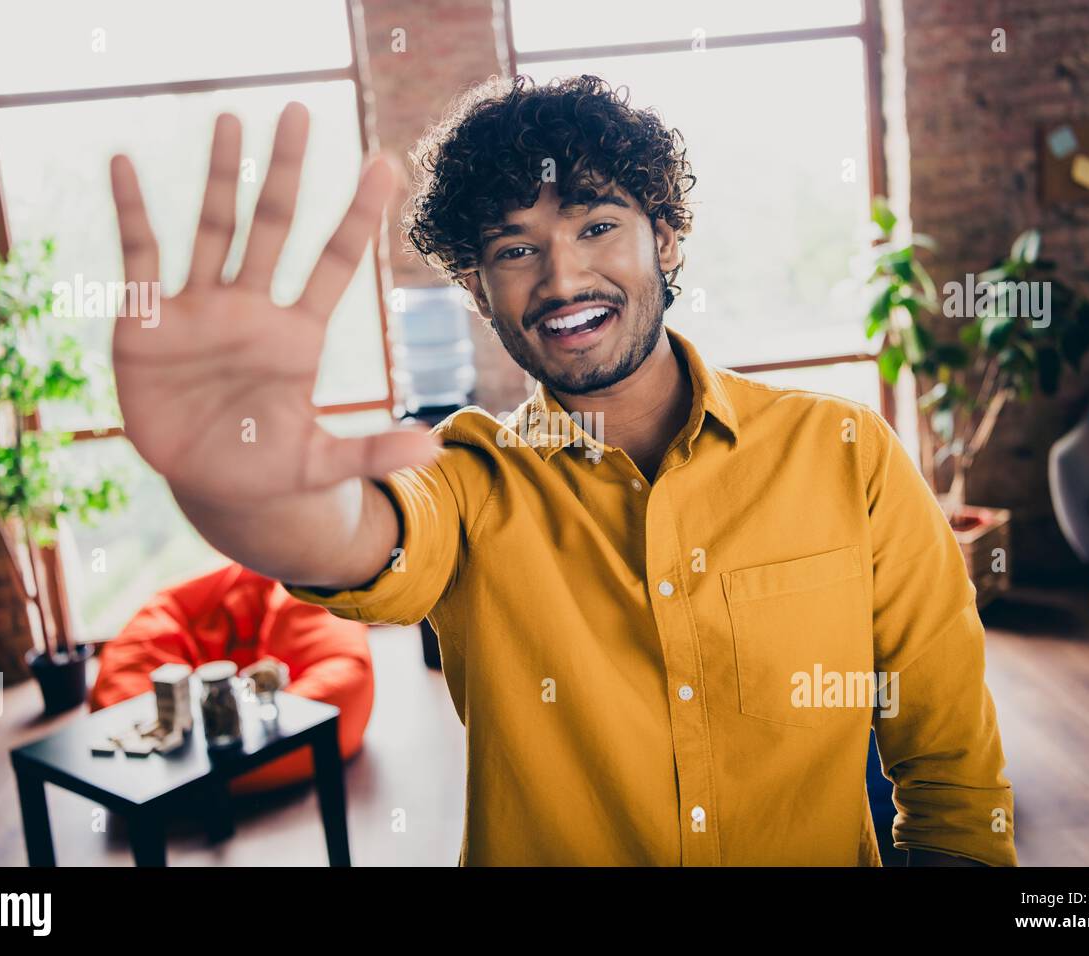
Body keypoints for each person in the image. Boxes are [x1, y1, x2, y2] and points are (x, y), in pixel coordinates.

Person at [108, 73, 1017, 867]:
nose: (561, 276)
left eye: (596, 225)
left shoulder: (845, 454)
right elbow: (359, 538)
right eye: (514, 250)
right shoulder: (469, 480)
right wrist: (253, 484)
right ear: (478, 289)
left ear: (664, 239)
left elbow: (951, 774)